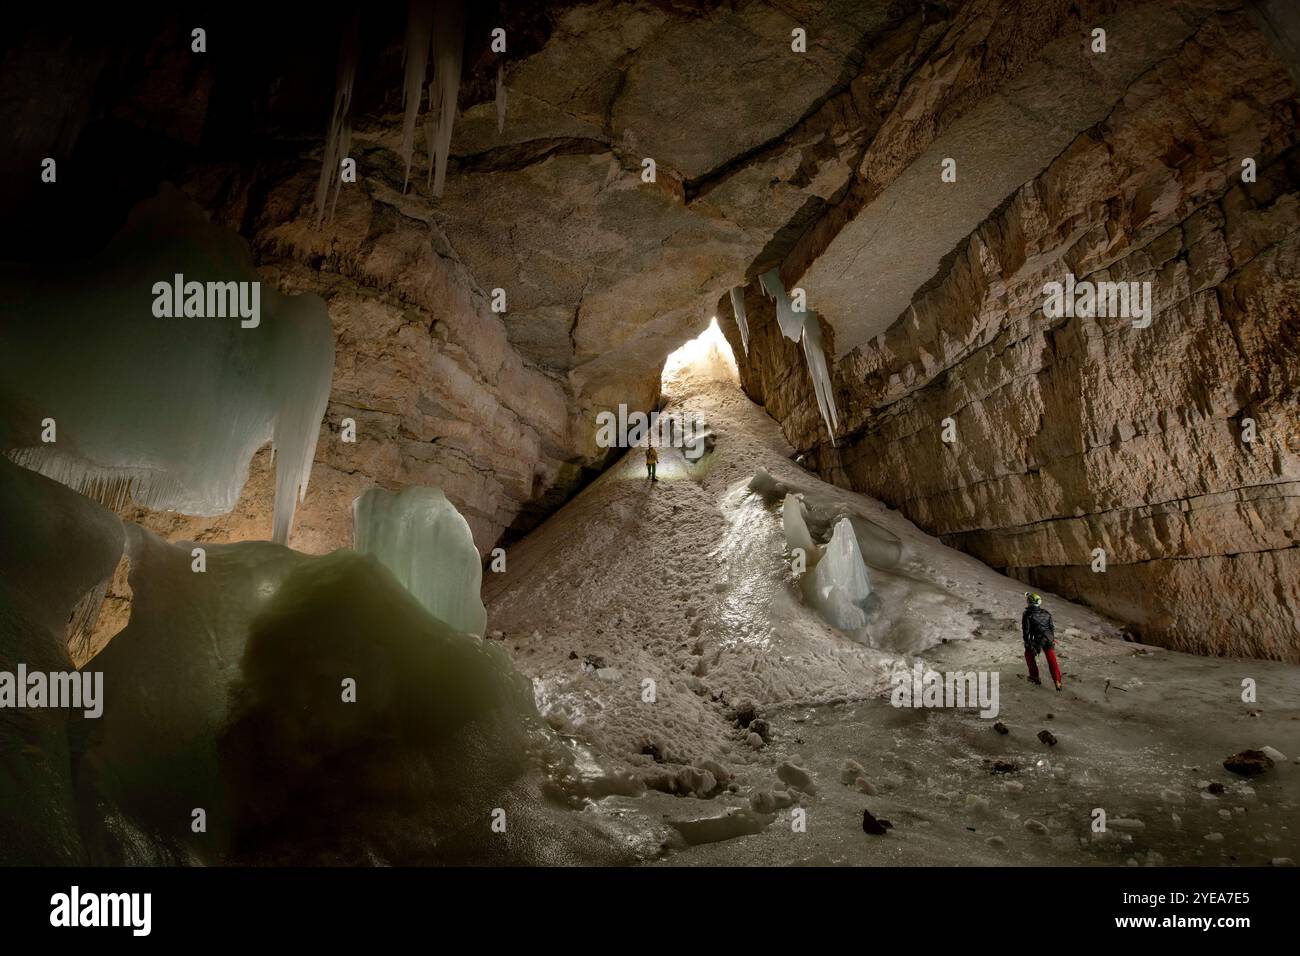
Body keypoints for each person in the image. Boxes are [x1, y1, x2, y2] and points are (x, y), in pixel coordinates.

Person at [1022, 592, 1062, 690]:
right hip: (1049, 638)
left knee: (1029, 654)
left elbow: (1026, 631)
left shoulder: (1027, 614)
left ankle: (1034, 677)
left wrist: (1027, 643)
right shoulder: (1046, 613)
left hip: (1038, 639)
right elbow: (1051, 627)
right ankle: (1057, 682)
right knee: (1052, 660)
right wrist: (1051, 639)